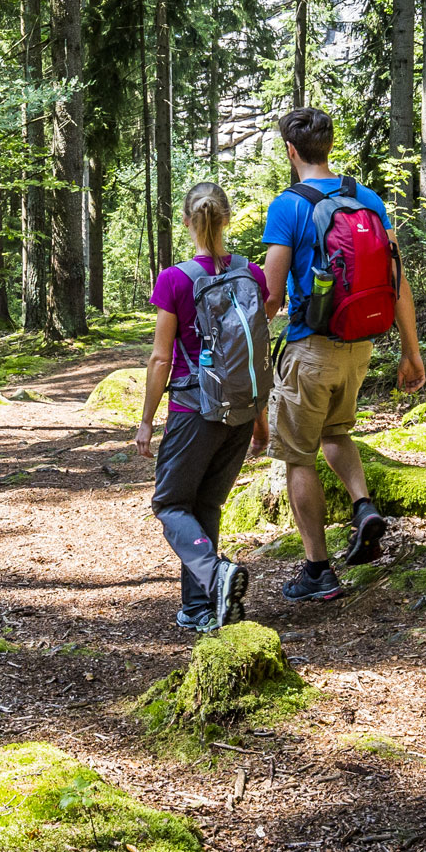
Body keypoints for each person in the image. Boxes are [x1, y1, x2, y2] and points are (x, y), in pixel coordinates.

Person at [259, 107, 426, 602]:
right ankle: (362, 505)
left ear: (291, 150)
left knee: (296, 457)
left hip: (310, 347)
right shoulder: (368, 198)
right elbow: (397, 282)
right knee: (336, 431)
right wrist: (411, 354)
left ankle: (317, 570)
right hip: (360, 346)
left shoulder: (287, 206)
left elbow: (270, 295)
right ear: (328, 146)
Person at [134, 182, 269, 633]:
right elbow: (254, 353)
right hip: (241, 410)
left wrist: (147, 421)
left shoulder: (175, 279)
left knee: (171, 503)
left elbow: (159, 358)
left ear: (188, 223)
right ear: (227, 219)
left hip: (194, 410)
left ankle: (215, 575)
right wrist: (261, 419)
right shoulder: (253, 275)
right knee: (206, 504)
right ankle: (201, 608)